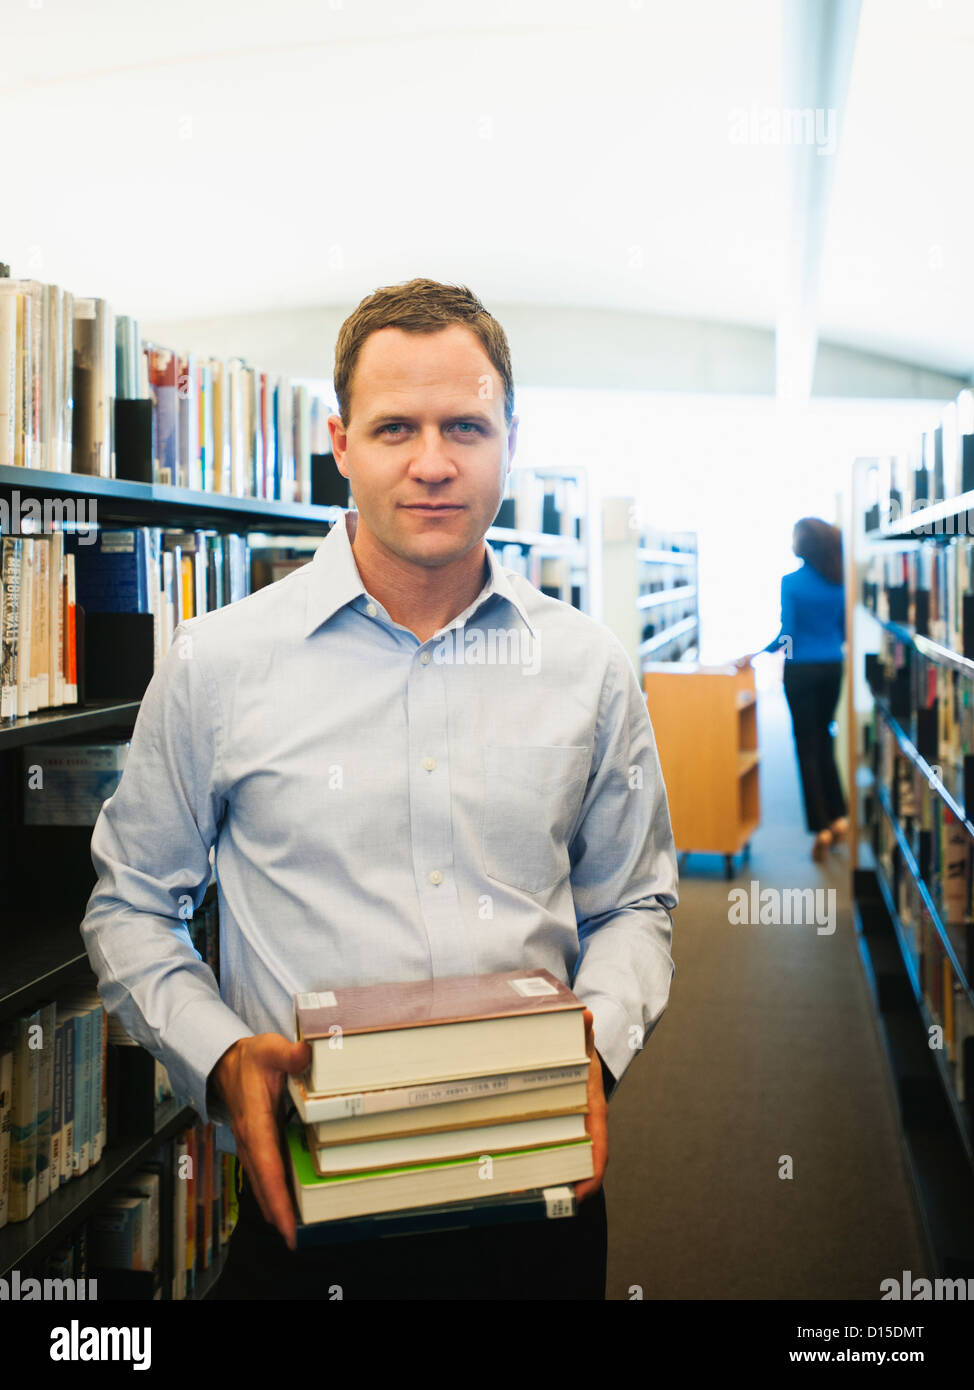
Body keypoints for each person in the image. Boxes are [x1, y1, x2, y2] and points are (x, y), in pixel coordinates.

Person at [79, 277, 678, 1300]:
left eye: (466, 426)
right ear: (340, 441)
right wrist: (221, 1058)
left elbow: (633, 900)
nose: (433, 463)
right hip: (311, 1210)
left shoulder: (586, 666)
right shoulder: (218, 664)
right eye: (395, 425)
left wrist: (597, 1040)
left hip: (538, 1192)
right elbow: (131, 904)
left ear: (508, 438)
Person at [765, 516, 848, 862]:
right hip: (832, 667)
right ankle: (840, 814)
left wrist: (759, 653)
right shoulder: (840, 581)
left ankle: (821, 827)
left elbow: (789, 634)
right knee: (825, 737)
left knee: (806, 746)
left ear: (803, 545)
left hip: (801, 671)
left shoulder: (792, 582)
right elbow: (843, 629)